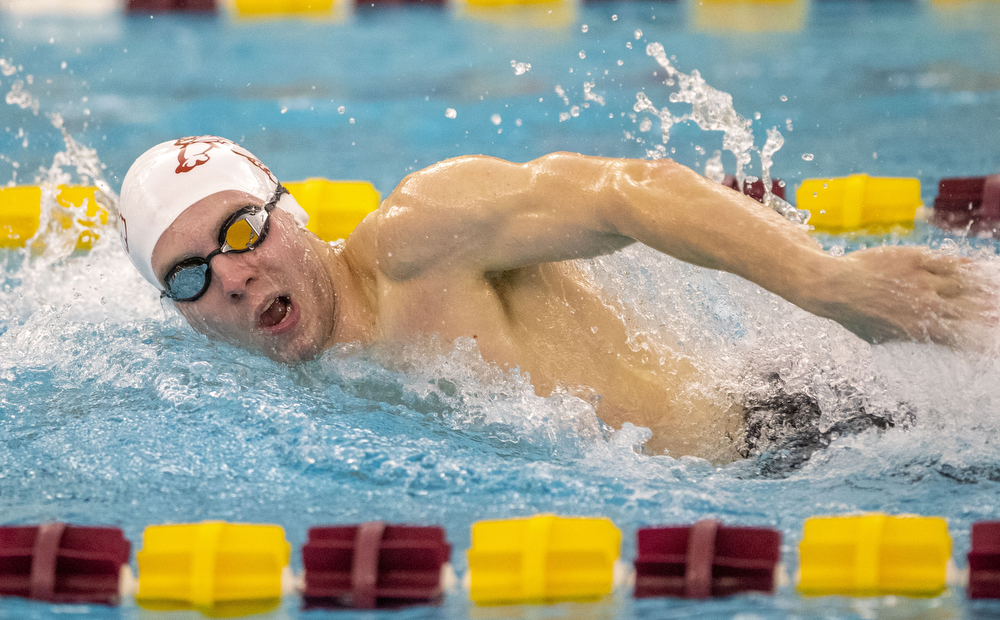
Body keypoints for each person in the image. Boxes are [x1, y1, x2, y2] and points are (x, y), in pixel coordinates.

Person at [118, 136, 995, 462]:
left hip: (811, 434)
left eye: (239, 231)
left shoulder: (421, 240)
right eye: (189, 277)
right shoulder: (248, 380)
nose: (231, 276)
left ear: (292, 213)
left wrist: (828, 285)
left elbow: (626, 191)